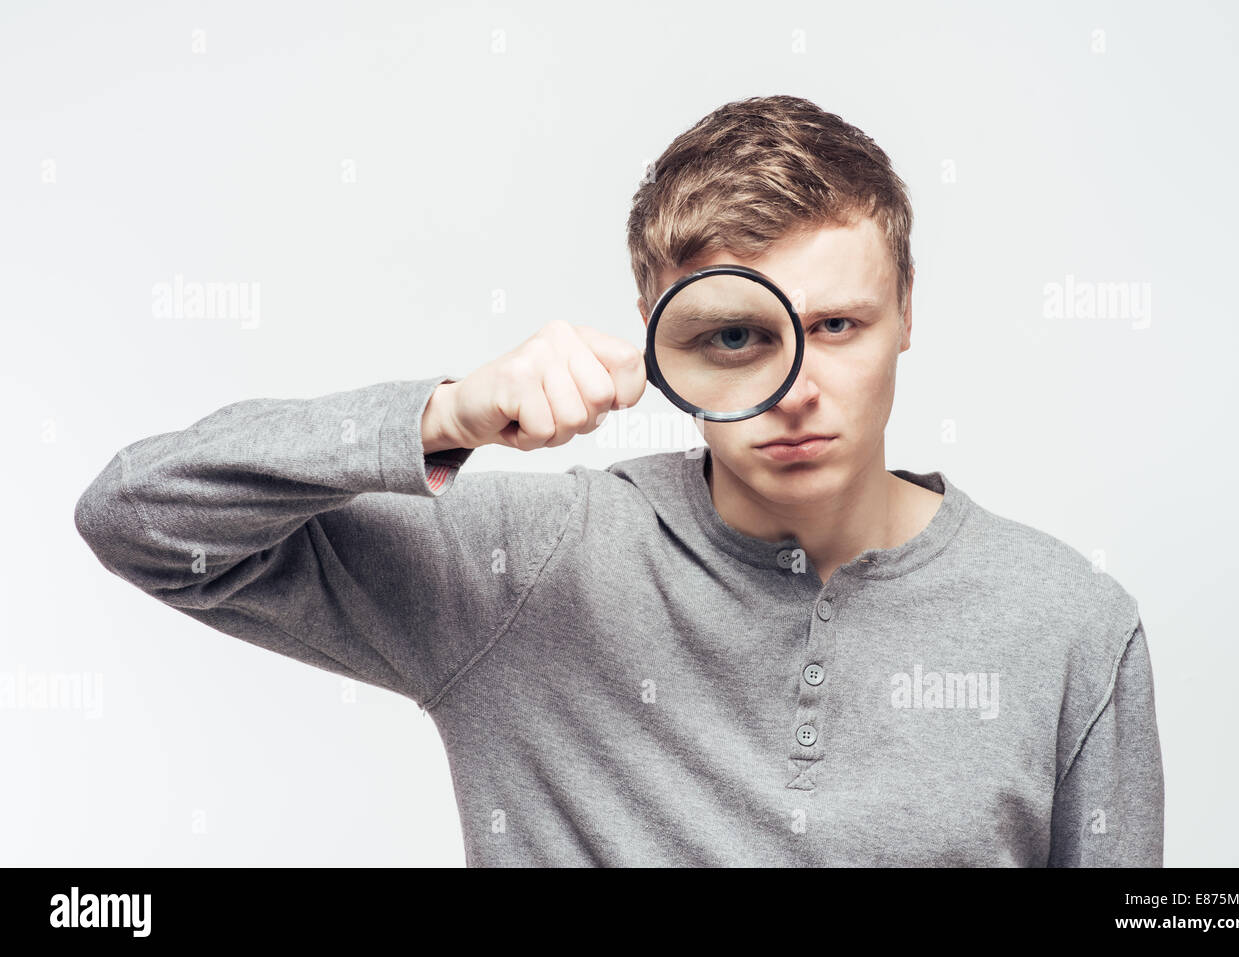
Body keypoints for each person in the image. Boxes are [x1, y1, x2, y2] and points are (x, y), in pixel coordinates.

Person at [74, 94, 1164, 866]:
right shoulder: (529, 569)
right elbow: (138, 518)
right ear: (662, 340)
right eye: (735, 335)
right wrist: (442, 414)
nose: (794, 386)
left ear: (908, 314)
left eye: (836, 325)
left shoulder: (1068, 625)